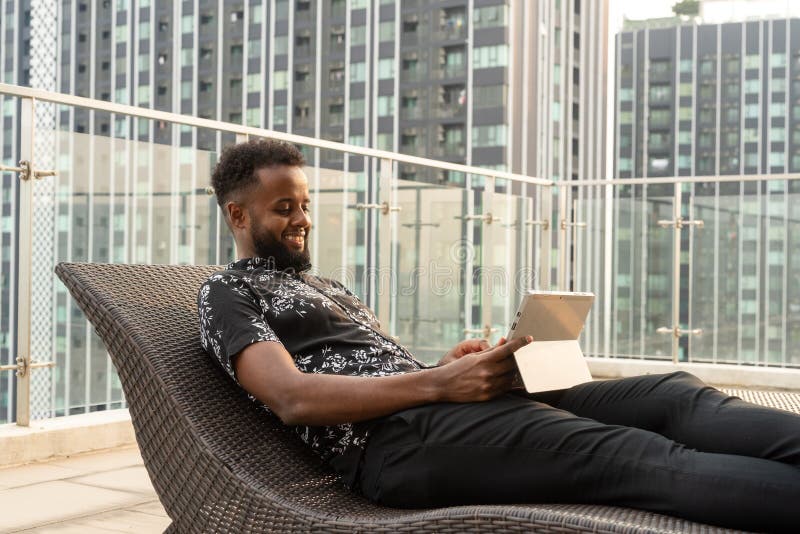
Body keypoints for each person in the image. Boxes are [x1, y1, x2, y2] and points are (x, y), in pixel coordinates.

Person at [197, 139, 800, 532]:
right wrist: (437, 383)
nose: (302, 219)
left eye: (304, 204)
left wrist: (449, 365)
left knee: (672, 394)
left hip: (436, 409)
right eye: (284, 208)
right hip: (395, 447)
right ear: (239, 215)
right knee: (634, 456)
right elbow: (293, 396)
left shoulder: (327, 286)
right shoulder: (227, 294)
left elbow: (378, 372)